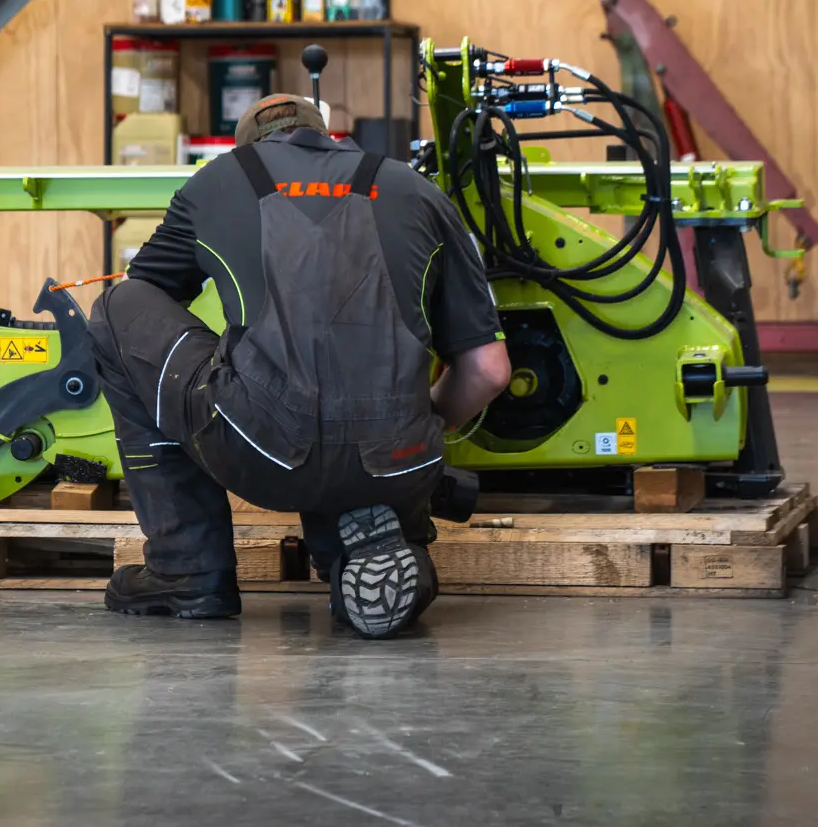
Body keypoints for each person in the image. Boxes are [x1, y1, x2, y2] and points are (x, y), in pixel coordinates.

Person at [88, 86, 510, 639]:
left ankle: (187, 568)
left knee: (119, 307)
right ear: (328, 135)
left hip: (262, 448)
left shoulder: (216, 181)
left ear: (249, 145)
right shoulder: (418, 189)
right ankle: (372, 556)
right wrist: (426, 422)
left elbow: (151, 300)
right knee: (372, 487)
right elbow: (490, 370)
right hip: (397, 459)